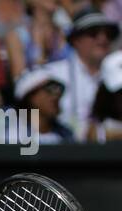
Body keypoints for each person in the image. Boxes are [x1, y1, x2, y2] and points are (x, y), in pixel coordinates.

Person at [43, 5, 119, 138]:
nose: (103, 39)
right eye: (93, 33)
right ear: (76, 40)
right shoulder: (53, 74)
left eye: (108, 34)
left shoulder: (118, 74)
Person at [11, 66, 74, 143]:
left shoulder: (67, 136)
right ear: (30, 96)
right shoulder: (11, 137)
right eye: (49, 89)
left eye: (59, 90)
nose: (56, 96)